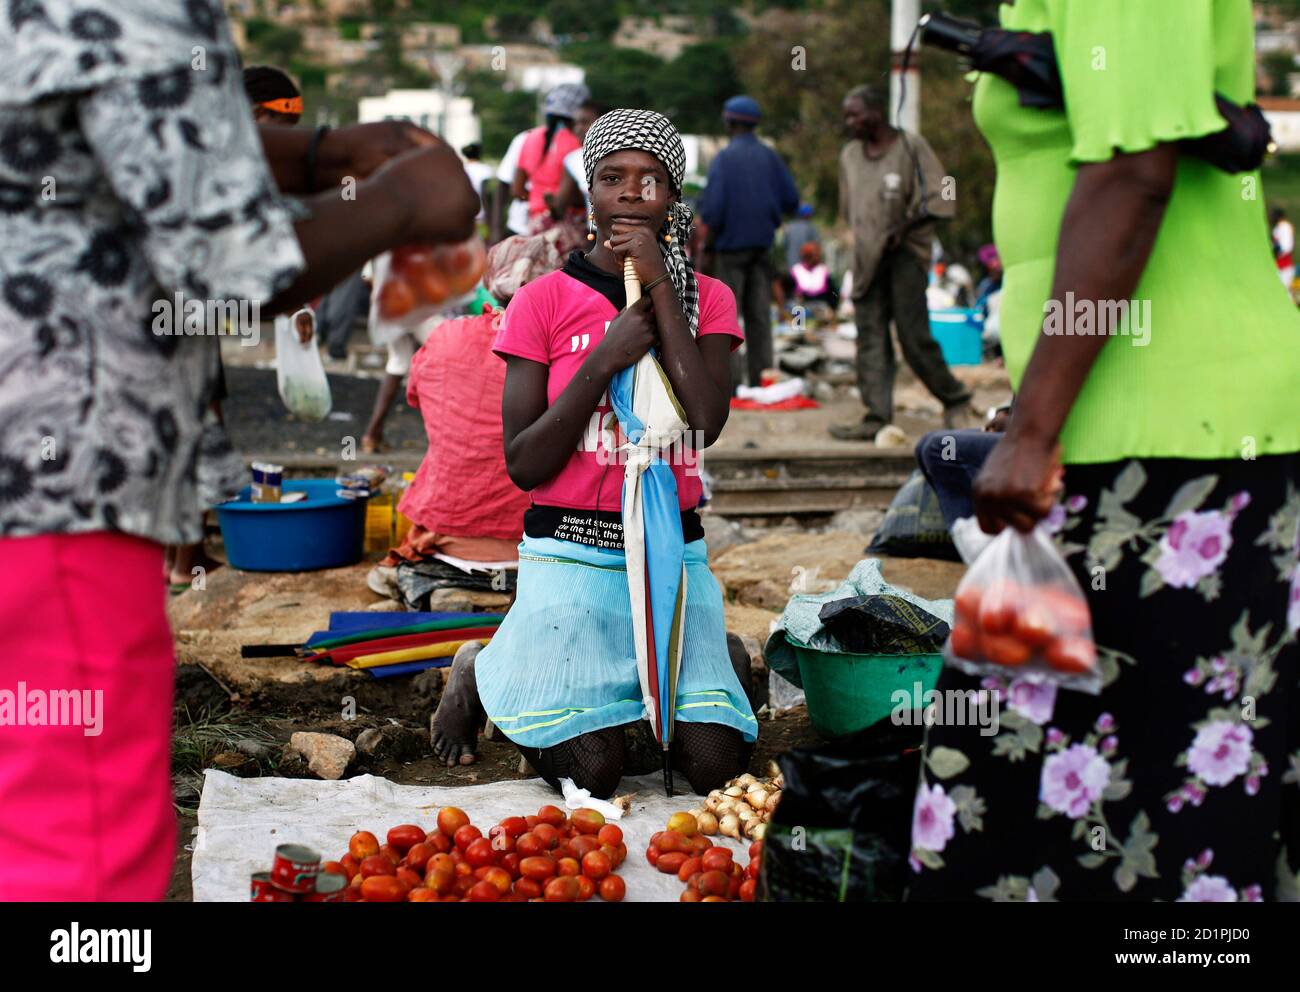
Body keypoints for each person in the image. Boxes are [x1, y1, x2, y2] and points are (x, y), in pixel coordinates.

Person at [0, 0, 478, 901]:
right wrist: (407, 202)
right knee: (81, 854)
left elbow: (111, 145)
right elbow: (227, 268)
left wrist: (319, 153)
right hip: (55, 486)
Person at [907, 0, 1300, 903]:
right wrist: (1045, 404)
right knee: (1045, 802)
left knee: (1149, 821)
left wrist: (1040, 426)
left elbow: (1132, 175)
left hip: (1177, 447)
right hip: (1111, 424)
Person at [429, 109, 758, 797]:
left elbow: (705, 422)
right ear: (590, 195)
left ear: (673, 197)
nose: (632, 193)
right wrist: (603, 359)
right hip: (574, 555)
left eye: (651, 180)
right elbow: (524, 462)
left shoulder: (709, 299)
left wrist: (659, 289)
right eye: (613, 178)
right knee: (596, 773)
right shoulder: (543, 302)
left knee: (713, 770)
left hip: (673, 554)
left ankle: (704, 657)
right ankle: (484, 669)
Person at [368, 235, 555, 600]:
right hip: (541, 542)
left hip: (449, 538)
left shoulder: (446, 337)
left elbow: (417, 397)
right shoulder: (566, 350)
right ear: (555, 285)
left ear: (490, 280)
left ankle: (448, 585)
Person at [830, 85, 980, 441]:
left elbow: (944, 197)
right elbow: (848, 211)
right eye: (847, 116)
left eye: (856, 114)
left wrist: (906, 226)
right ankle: (876, 416)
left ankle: (955, 397)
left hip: (904, 257)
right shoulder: (850, 156)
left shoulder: (911, 147)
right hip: (867, 261)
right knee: (869, 338)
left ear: (877, 113)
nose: (850, 122)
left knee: (914, 337)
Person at [700, 95, 800, 389]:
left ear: (729, 122)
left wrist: (708, 247)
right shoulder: (771, 158)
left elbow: (713, 211)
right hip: (762, 249)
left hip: (729, 250)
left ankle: (728, 383)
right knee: (759, 316)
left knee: (726, 318)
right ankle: (762, 379)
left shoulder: (723, 159)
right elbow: (791, 200)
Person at [513, 83, 589, 233]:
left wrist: (538, 199)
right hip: (569, 225)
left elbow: (517, 191)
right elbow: (577, 195)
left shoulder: (530, 138)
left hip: (535, 223)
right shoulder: (577, 143)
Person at [549, 99, 605, 221]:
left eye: (584, 122)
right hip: (596, 235)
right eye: (576, 123)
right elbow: (559, 209)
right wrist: (551, 204)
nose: (578, 128)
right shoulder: (573, 160)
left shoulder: (624, 155)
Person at [790, 241, 838, 311]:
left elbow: (834, 292)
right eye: (814, 255)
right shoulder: (796, 271)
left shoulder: (823, 270)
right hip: (801, 307)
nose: (818, 257)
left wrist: (833, 307)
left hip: (821, 306)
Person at [461, 142, 494, 224]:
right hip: (481, 211)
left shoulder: (460, 169)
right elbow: (488, 193)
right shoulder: (486, 169)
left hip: (464, 211)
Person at [782, 202, 821, 272]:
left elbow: (784, 245)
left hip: (791, 265)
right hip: (807, 267)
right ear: (807, 215)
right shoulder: (810, 228)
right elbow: (816, 246)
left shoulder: (789, 227)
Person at [1271, 206, 1295, 293]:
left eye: (1273, 216)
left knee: (1284, 294)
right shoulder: (1277, 228)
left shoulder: (1285, 226)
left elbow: (1287, 246)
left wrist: (1275, 251)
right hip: (1278, 266)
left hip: (1284, 267)